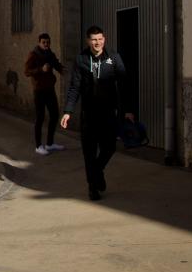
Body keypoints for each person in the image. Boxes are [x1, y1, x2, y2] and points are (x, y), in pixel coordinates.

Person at [60, 26, 132, 201]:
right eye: (93, 39)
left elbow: (124, 85)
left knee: (110, 147)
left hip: (108, 113)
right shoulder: (81, 60)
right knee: (89, 152)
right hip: (89, 114)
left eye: (100, 39)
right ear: (88, 41)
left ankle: (98, 170)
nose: (97, 42)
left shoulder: (113, 58)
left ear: (104, 39)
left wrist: (128, 110)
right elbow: (75, 87)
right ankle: (92, 187)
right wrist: (68, 111)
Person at [24, 33, 65, 156]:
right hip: (39, 91)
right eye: (44, 42)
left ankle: (50, 143)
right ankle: (38, 146)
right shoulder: (33, 55)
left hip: (50, 89)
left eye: (48, 42)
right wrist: (41, 70)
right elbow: (26, 71)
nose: (46, 44)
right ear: (39, 43)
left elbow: (57, 65)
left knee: (54, 115)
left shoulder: (50, 54)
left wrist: (64, 71)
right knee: (40, 117)